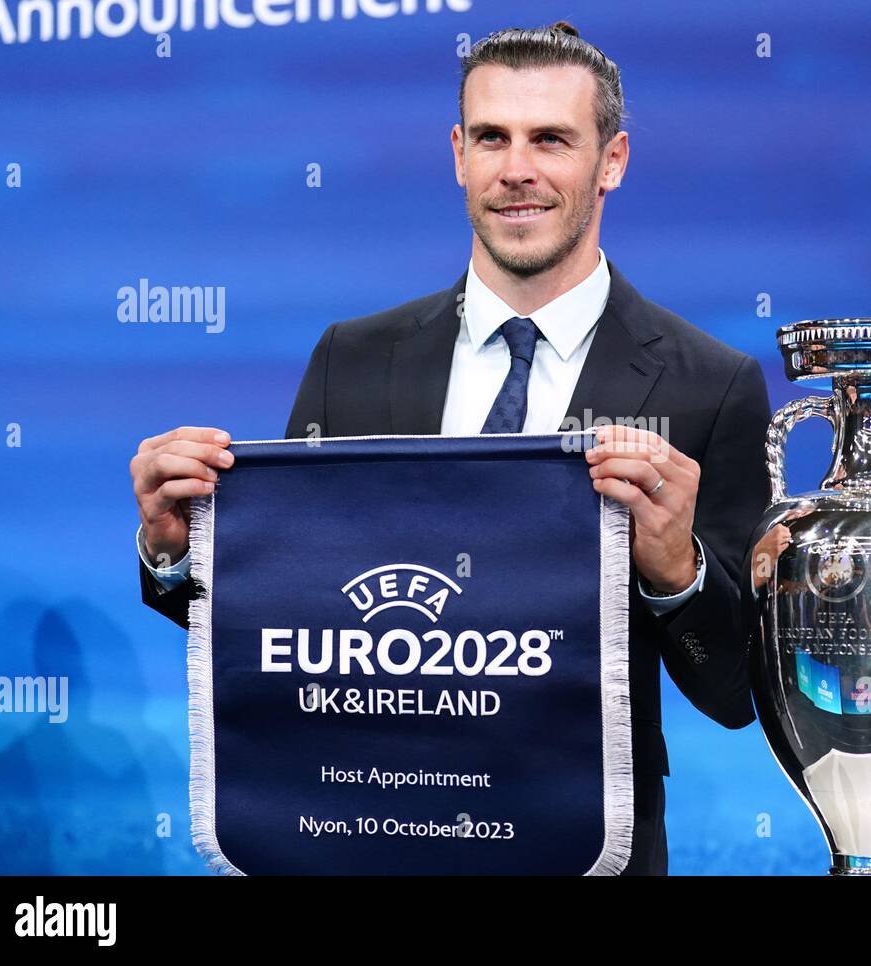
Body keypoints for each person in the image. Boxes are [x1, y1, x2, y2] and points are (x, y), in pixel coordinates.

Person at [129, 21, 772, 875]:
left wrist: (675, 574)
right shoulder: (351, 359)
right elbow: (283, 615)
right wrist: (176, 552)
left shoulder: (710, 385)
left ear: (611, 160)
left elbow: (734, 694)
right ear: (458, 155)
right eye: (492, 138)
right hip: (364, 833)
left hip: (580, 849)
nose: (518, 169)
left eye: (552, 139)